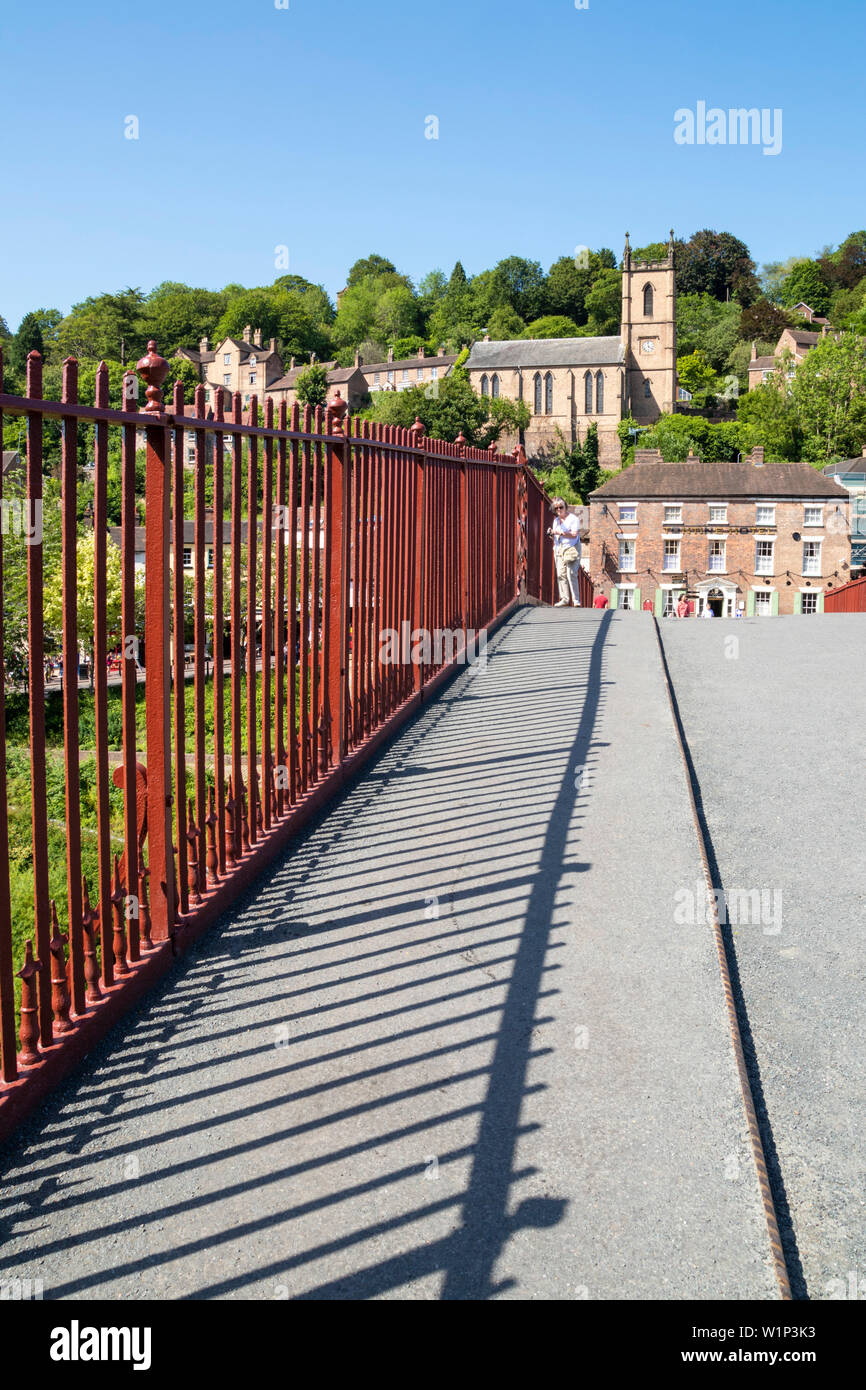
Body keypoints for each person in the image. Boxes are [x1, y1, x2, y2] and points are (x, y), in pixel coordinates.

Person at [548, 498, 582, 607]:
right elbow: (556, 535)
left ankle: (576, 600)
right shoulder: (556, 521)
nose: (558, 509)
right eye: (556, 508)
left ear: (565, 507)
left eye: (561, 507)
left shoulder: (573, 519)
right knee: (560, 574)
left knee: (571, 574)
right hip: (559, 548)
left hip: (572, 548)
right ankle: (565, 599)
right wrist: (552, 534)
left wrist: (560, 532)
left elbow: (574, 534)